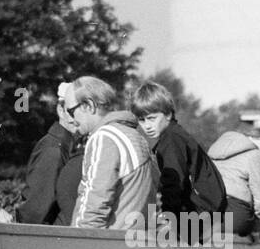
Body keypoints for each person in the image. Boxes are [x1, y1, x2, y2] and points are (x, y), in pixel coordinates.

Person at [132, 81, 227, 243]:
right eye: (142, 120)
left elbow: (174, 182)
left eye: (152, 118)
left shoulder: (171, 139)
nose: (147, 126)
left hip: (196, 215)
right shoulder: (176, 134)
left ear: (168, 114)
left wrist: (168, 219)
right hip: (207, 212)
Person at [65, 76, 157, 229]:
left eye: (71, 111)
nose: (70, 119)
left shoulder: (104, 138)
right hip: (132, 243)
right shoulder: (137, 137)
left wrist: (79, 245)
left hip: (105, 246)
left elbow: (94, 205)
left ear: (89, 105)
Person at [11, 82, 84, 225]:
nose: (76, 118)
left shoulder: (66, 146)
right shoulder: (54, 150)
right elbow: (34, 214)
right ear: (60, 110)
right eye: (71, 112)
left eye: (82, 111)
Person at [208, 126, 260, 240]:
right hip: (235, 215)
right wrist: (258, 226)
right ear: (252, 137)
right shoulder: (255, 154)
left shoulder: (213, 151)